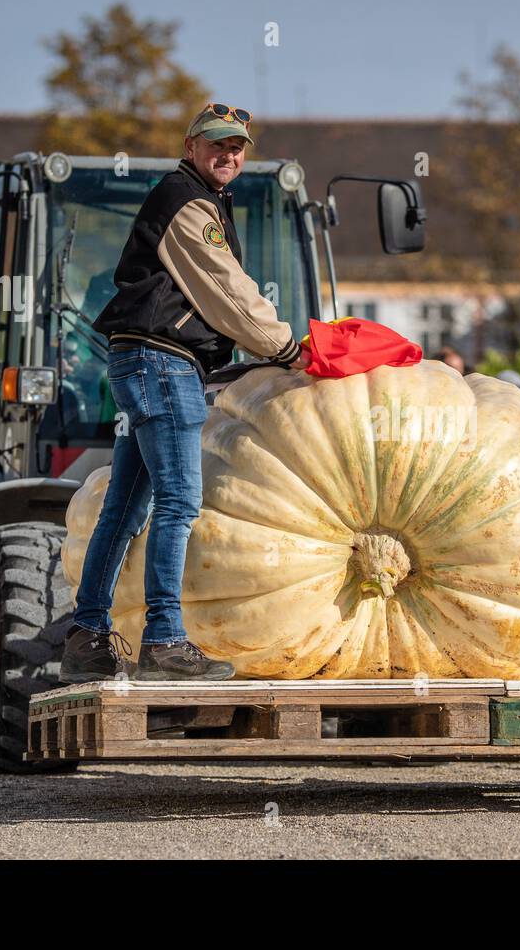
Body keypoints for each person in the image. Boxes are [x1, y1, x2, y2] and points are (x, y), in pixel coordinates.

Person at [64, 103, 306, 684]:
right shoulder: (187, 201)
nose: (229, 155)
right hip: (162, 364)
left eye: (238, 147)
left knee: (125, 505)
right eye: (217, 144)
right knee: (179, 502)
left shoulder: (198, 198)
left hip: (147, 362)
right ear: (191, 146)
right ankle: (166, 640)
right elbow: (228, 291)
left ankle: (87, 635)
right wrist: (287, 348)